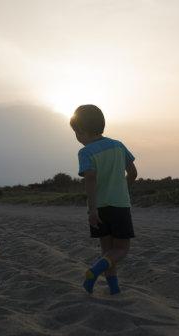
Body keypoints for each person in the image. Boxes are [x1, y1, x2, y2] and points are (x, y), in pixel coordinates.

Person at [70, 104, 137, 295]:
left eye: (76, 133)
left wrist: (92, 210)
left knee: (108, 250)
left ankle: (111, 286)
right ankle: (99, 275)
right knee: (121, 250)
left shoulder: (85, 152)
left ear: (81, 131)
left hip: (100, 208)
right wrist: (122, 188)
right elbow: (133, 173)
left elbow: (90, 179)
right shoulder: (118, 145)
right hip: (119, 205)